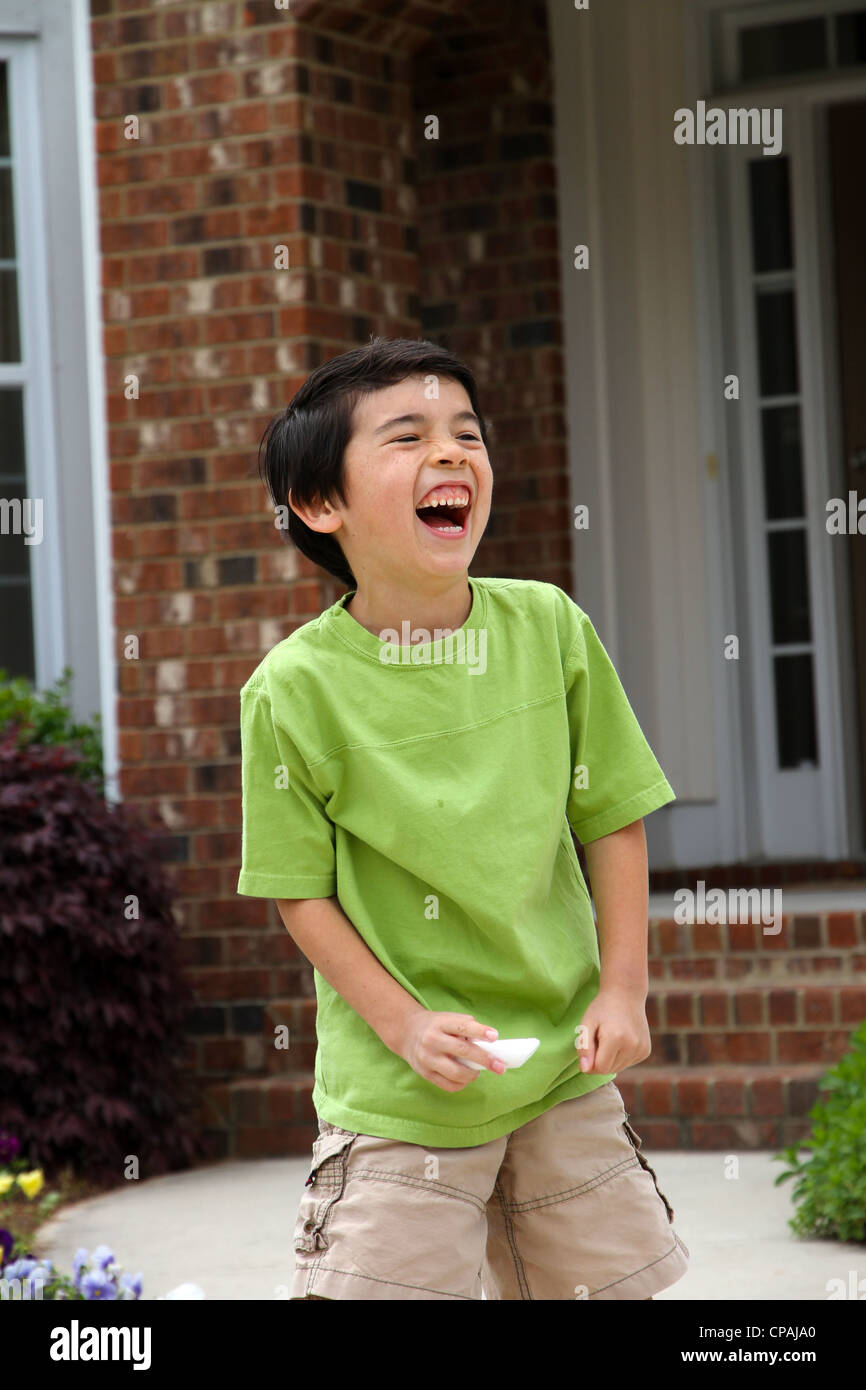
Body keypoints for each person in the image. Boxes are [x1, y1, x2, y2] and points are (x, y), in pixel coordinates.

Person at [236, 337, 690, 1300]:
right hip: (402, 1091)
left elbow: (610, 816)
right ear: (324, 506)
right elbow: (298, 894)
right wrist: (402, 1026)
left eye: (467, 434)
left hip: (563, 1066)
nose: (451, 454)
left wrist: (622, 991)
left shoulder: (550, 629)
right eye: (407, 438)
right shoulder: (293, 691)